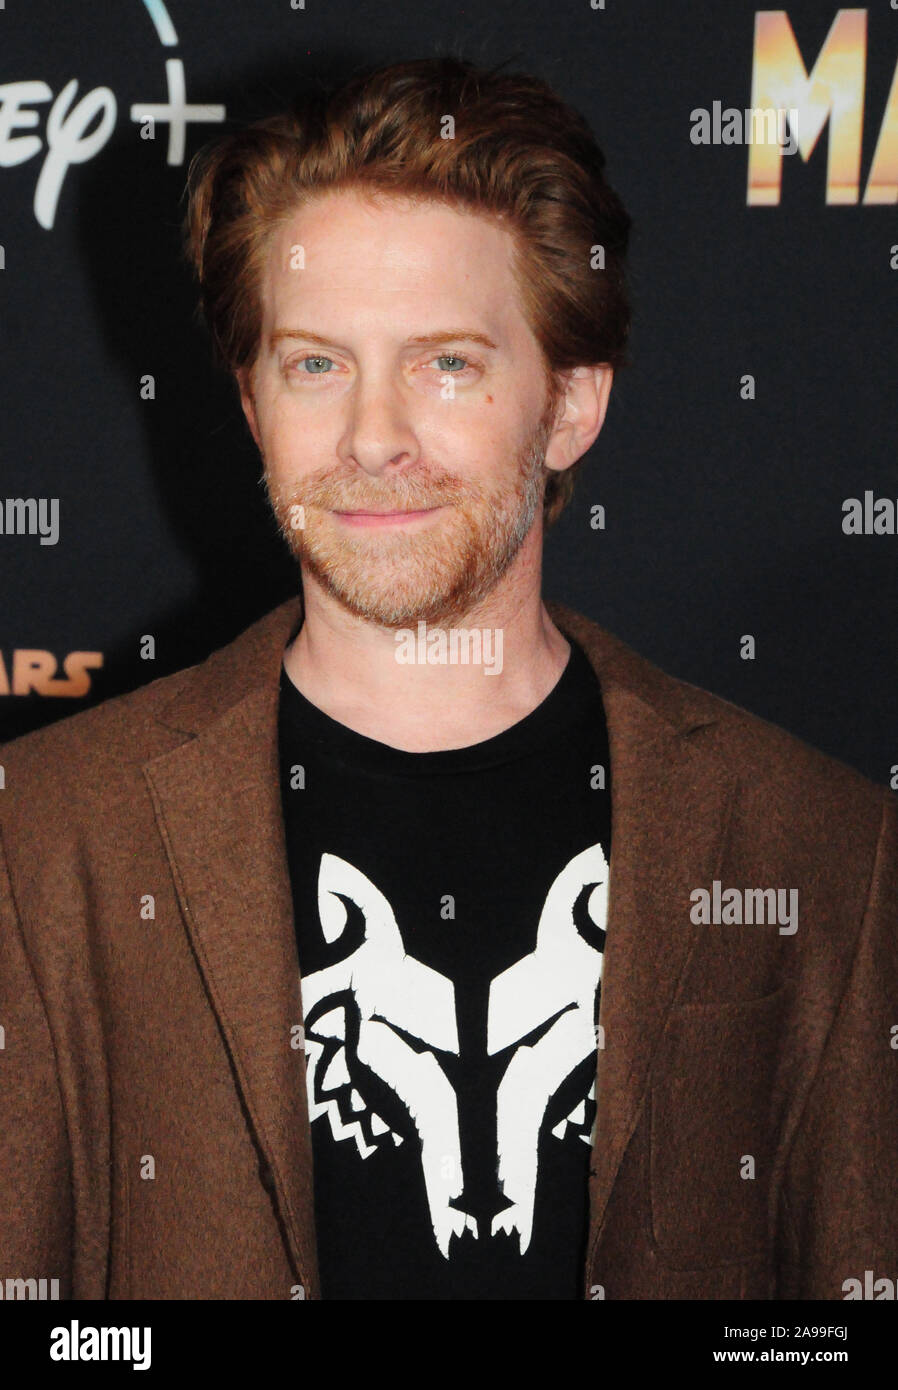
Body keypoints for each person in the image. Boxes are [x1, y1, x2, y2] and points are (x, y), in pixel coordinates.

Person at [1, 55, 895, 1302]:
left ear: (571, 403)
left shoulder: (817, 846)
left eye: (446, 364)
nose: (373, 437)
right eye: (315, 364)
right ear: (253, 402)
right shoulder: (44, 837)